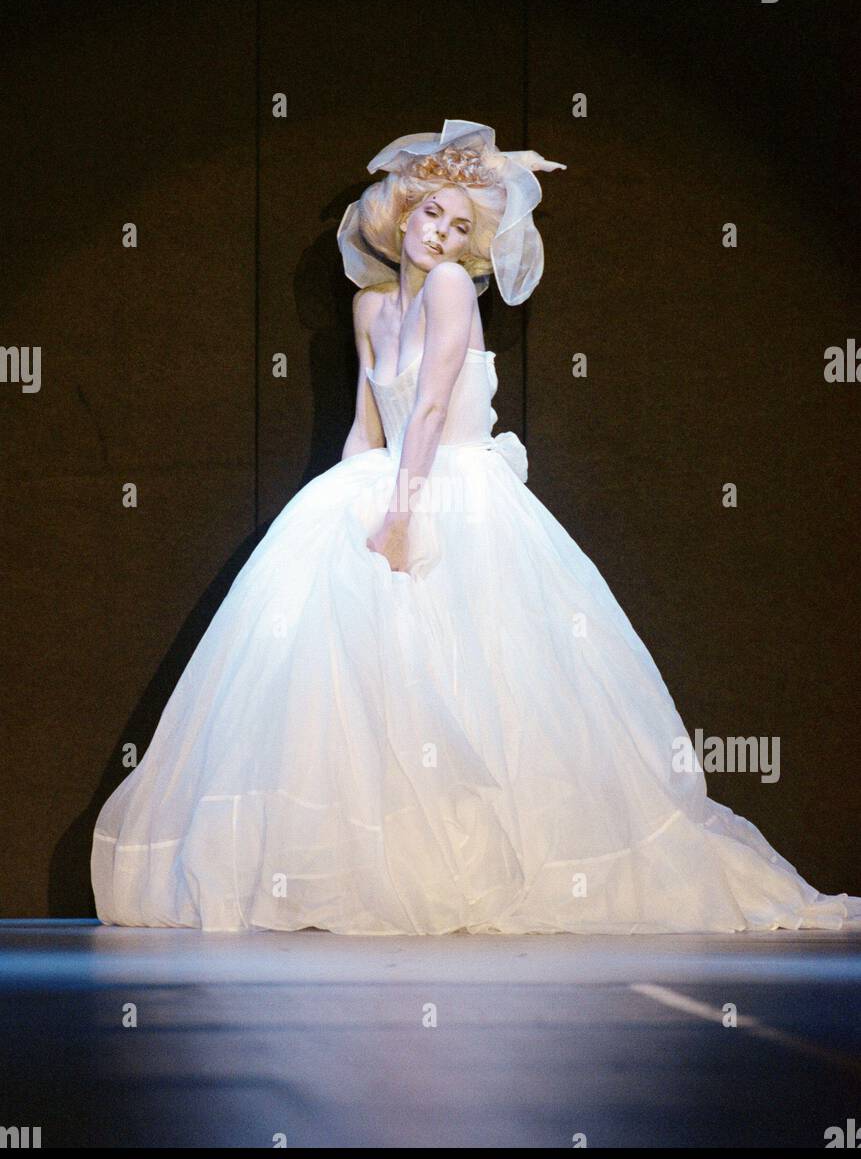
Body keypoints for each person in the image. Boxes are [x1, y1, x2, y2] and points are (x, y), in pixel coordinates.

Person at [91, 118, 861, 935]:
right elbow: (368, 422)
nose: (442, 237)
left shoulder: (455, 289)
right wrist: (337, 503)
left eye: (461, 228)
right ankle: (364, 869)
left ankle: (483, 865)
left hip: (449, 492)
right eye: (432, 217)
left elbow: (428, 406)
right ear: (403, 211)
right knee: (353, 687)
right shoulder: (369, 304)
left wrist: (401, 513)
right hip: (381, 479)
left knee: (476, 677)